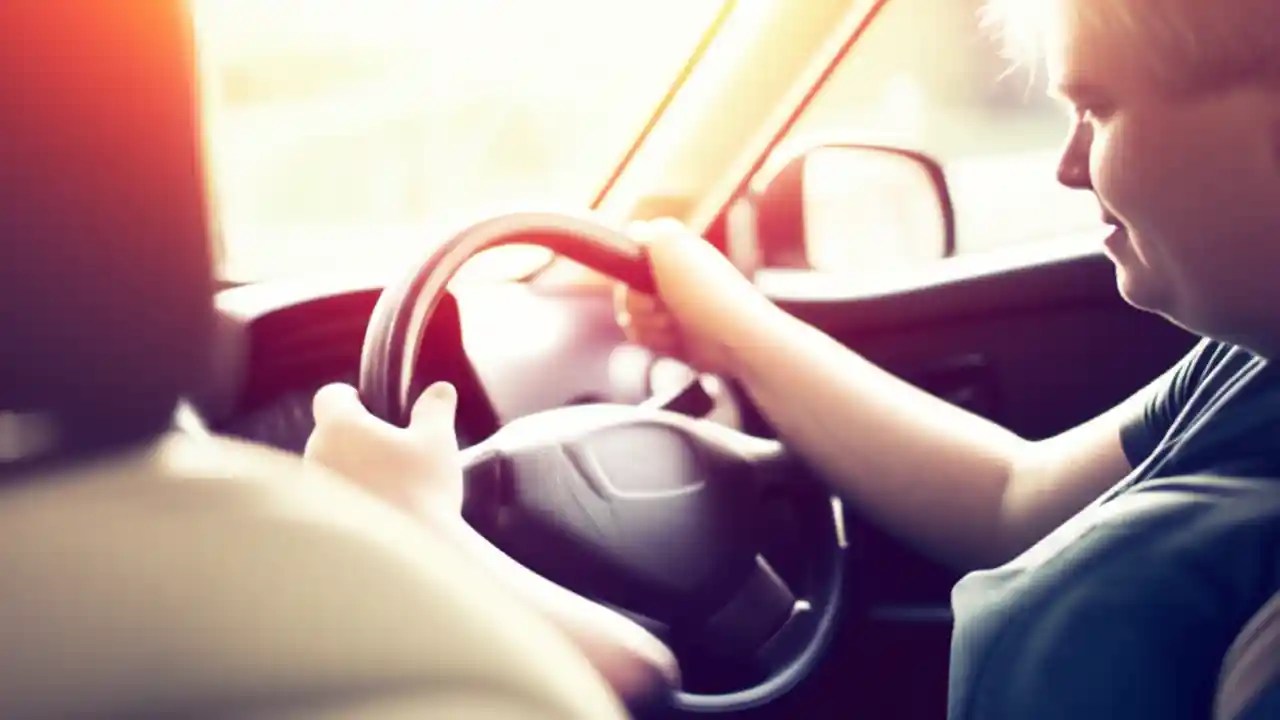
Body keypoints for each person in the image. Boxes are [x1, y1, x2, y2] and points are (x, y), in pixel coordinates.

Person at [307, 0, 1280, 717]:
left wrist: (412, 535)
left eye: (1097, 108)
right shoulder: (1247, 368)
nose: (1066, 165)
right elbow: (1007, 499)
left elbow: (631, 691)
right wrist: (731, 325)